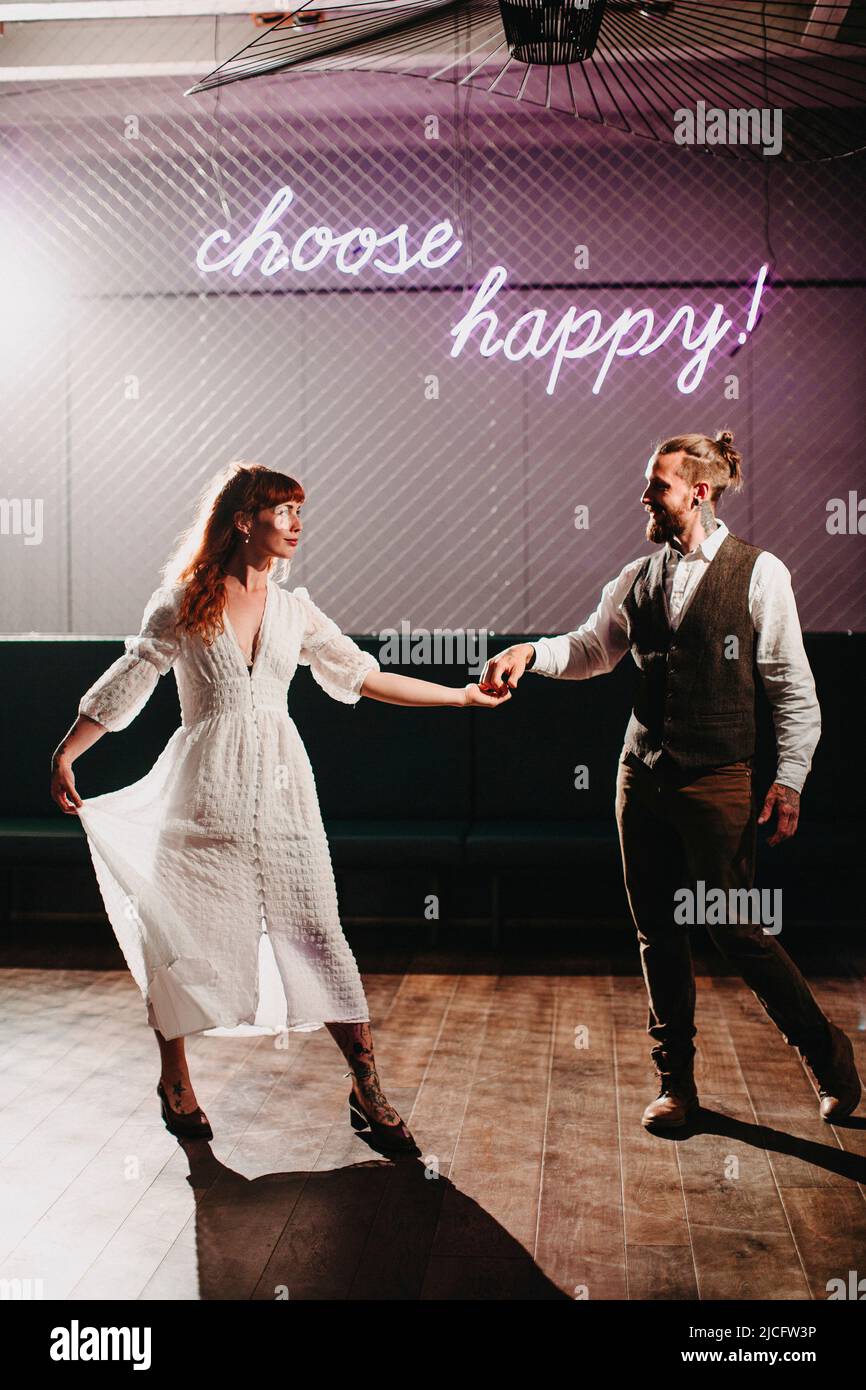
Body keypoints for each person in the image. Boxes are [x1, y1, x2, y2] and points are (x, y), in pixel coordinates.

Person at [50, 461, 509, 1154]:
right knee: (179, 933)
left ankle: (366, 1084)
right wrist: (67, 750)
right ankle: (176, 1077)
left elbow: (363, 675)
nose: (298, 524)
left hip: (285, 796)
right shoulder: (180, 601)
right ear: (244, 520)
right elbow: (135, 675)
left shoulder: (297, 610)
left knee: (316, 931)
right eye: (284, 511)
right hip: (203, 793)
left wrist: (461, 698)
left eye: (300, 511)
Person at [481, 429, 861, 1130]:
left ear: (699, 491)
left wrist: (791, 779)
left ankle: (828, 1054)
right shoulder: (636, 577)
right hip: (641, 773)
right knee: (657, 929)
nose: (644, 497)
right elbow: (594, 648)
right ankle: (677, 1085)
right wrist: (532, 652)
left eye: (657, 485)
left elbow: (791, 688)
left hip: (720, 776)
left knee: (734, 928)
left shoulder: (761, 574)